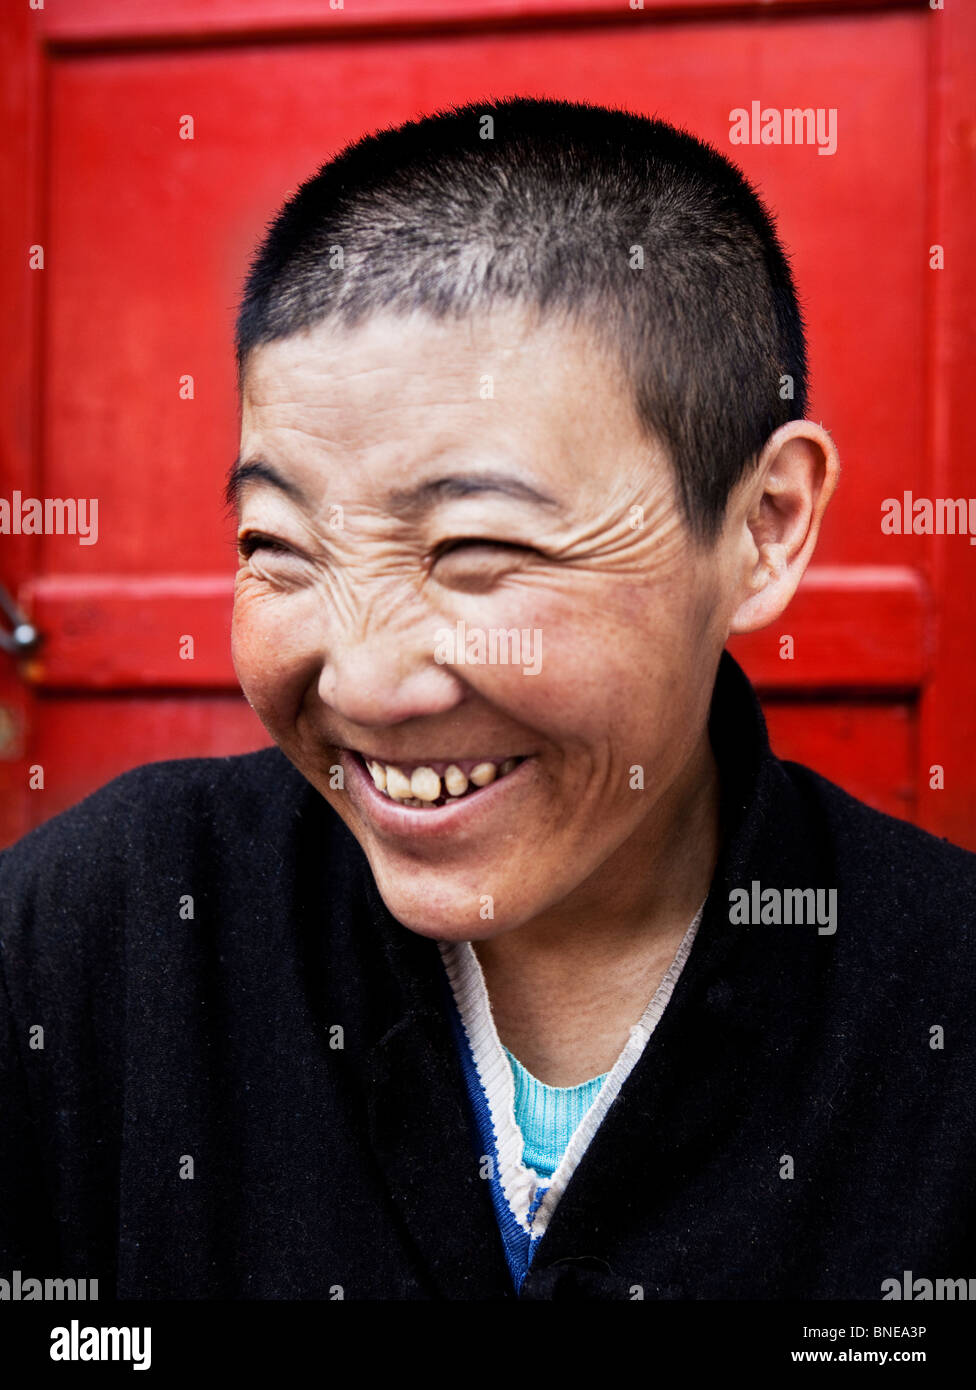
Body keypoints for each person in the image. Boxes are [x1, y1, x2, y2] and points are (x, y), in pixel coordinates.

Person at [1, 96, 974, 1302]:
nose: (361, 681)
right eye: (279, 545)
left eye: (475, 551)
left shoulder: (939, 1002)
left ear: (764, 525)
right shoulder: (99, 934)